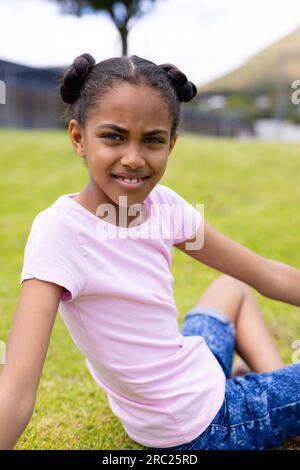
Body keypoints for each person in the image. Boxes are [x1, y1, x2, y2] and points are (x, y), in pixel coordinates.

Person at [0, 52, 300, 451]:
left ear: (171, 144)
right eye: (113, 136)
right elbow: (16, 392)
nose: (133, 158)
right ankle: (276, 402)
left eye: (153, 141)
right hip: (204, 424)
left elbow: (268, 276)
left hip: (189, 381)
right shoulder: (62, 233)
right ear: (78, 138)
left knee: (232, 289)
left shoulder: (164, 209)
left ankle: (280, 396)